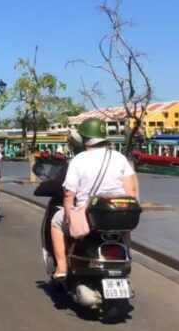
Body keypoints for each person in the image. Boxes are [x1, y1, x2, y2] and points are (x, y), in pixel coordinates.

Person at [50, 118, 139, 280]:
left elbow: (69, 194)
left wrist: (69, 216)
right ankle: (126, 256)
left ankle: (62, 266)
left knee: (56, 222)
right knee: (123, 229)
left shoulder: (78, 160)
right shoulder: (119, 158)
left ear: (84, 139)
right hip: (118, 212)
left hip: (89, 213)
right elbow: (131, 190)